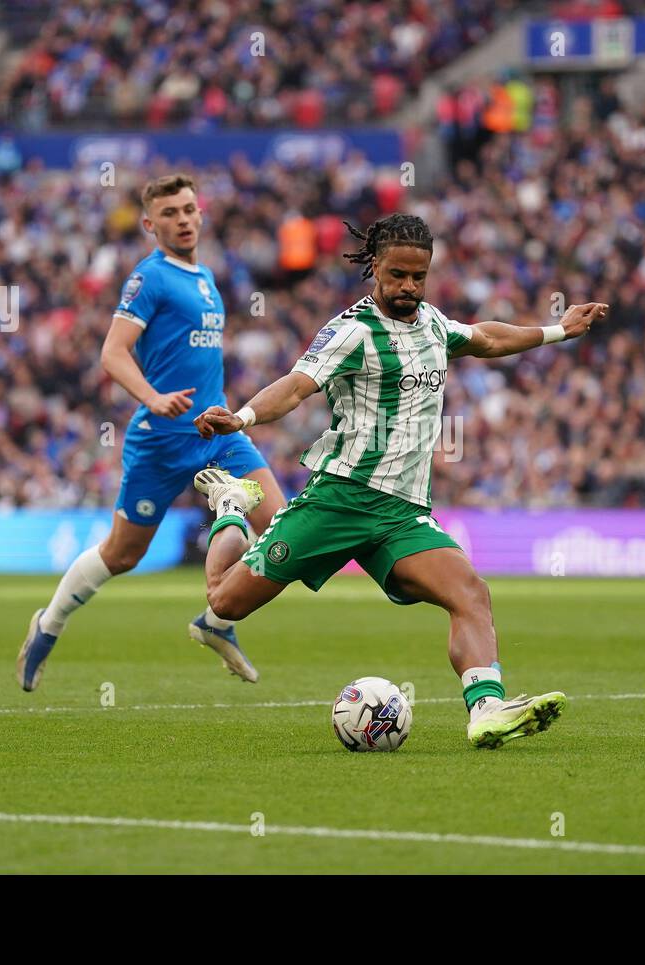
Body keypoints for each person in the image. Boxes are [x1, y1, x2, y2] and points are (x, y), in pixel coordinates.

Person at [191, 213, 608, 748]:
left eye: (418, 276)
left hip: (402, 513)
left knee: (470, 593)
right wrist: (243, 418)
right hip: (339, 500)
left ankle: (487, 710)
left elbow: (485, 337)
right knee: (224, 604)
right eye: (397, 275)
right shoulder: (352, 331)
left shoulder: (433, 324)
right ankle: (230, 505)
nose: (408, 287)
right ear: (374, 269)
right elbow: (296, 386)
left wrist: (558, 331)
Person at [17, 174, 287, 691]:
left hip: (215, 430)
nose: (182, 219)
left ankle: (217, 621)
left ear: (201, 214)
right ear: (149, 224)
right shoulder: (149, 278)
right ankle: (47, 625)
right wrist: (153, 398)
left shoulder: (207, 276)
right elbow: (112, 352)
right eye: (169, 213)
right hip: (160, 437)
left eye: (189, 209)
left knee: (281, 525)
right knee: (123, 554)